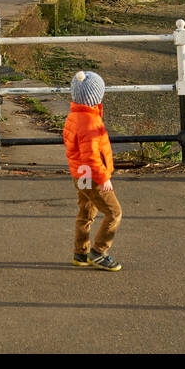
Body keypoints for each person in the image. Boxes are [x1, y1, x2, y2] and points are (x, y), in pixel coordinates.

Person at [63, 71, 122, 271]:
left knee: (86, 212)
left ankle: (81, 253)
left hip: (80, 175)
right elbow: (91, 157)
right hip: (91, 175)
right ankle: (99, 251)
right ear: (95, 97)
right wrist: (104, 178)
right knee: (114, 213)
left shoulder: (74, 116)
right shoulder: (90, 122)